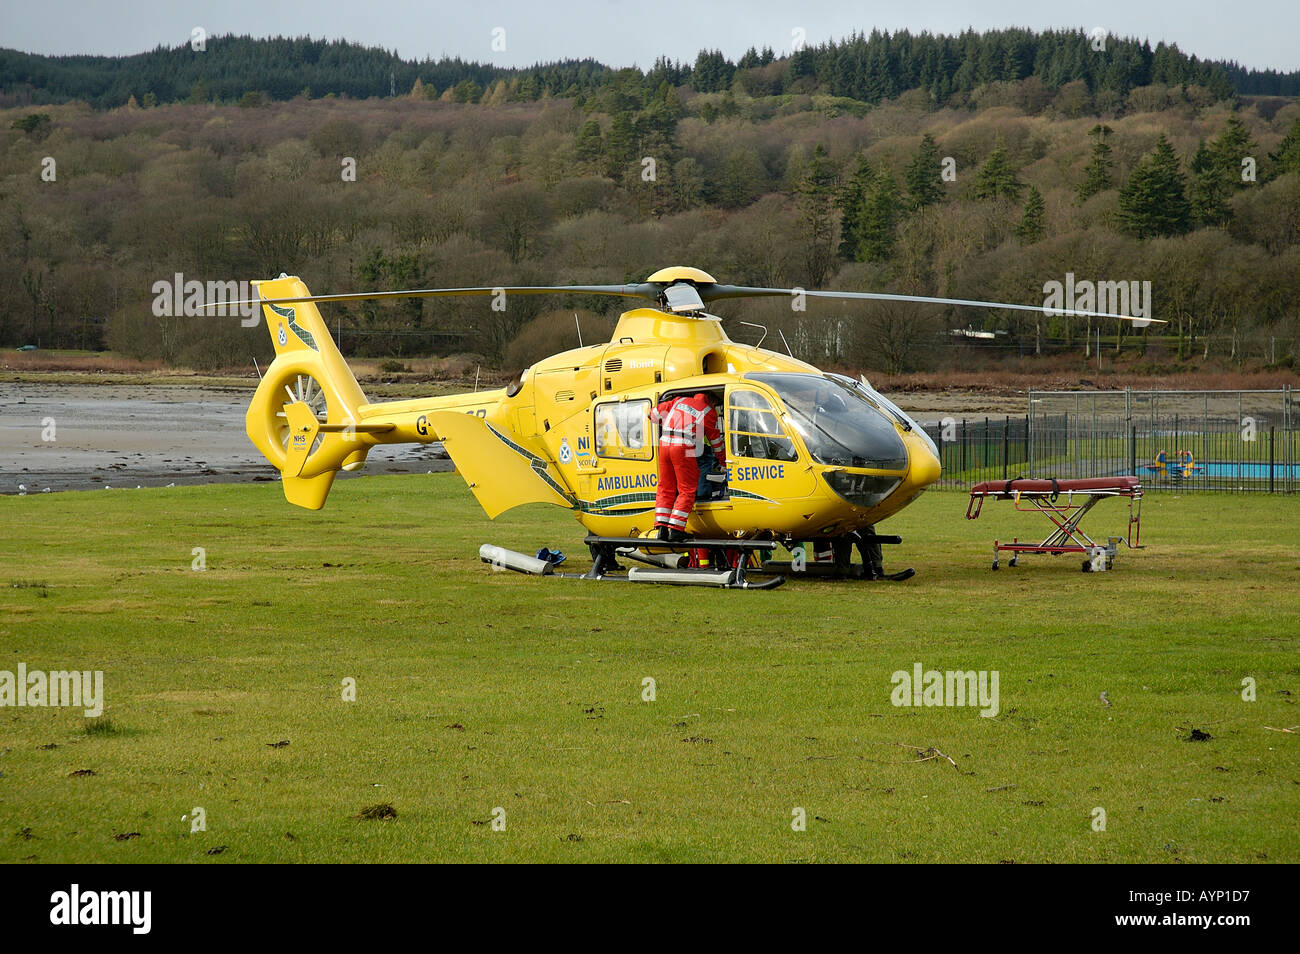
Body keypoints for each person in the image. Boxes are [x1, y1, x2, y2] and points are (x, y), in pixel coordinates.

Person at [653, 392, 726, 542]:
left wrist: (671, 424)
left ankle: (661, 528)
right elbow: (716, 442)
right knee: (687, 488)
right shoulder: (708, 411)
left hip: (664, 442)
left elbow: (653, 415)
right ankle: (676, 529)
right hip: (683, 446)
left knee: (665, 487)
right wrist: (724, 462)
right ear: (711, 401)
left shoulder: (679, 401)